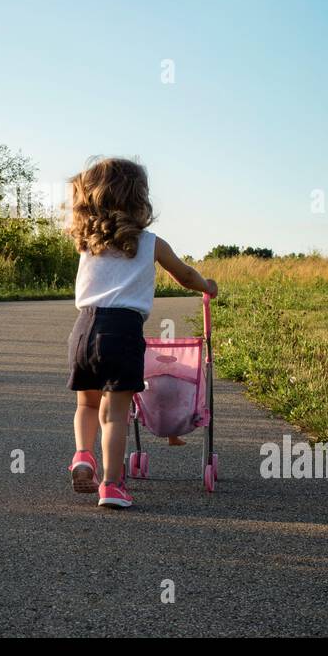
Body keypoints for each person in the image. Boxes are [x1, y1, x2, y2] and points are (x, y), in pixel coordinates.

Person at [64, 157, 218, 508]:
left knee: (86, 403)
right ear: (139, 200)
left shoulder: (88, 244)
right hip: (122, 334)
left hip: (82, 331)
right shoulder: (151, 243)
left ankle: (83, 455)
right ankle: (111, 485)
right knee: (114, 414)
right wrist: (207, 286)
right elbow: (186, 276)